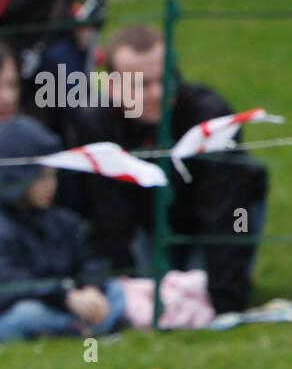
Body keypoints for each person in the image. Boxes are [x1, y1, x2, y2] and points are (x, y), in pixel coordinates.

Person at [74, 24, 268, 315]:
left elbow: (225, 212)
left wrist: (223, 303)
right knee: (149, 300)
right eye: (141, 85)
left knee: (201, 296)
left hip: (208, 225)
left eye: (164, 79)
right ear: (112, 87)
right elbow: (109, 220)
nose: (158, 93)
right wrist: (129, 295)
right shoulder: (96, 124)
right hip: (147, 227)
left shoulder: (209, 116)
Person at [0, 116, 125, 343]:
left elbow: (91, 259)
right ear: (14, 177)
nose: (50, 184)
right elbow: (6, 286)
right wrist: (63, 296)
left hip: (64, 304)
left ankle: (71, 329)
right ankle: (78, 329)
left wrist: (92, 287)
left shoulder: (64, 221)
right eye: (40, 176)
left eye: (52, 174)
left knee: (115, 292)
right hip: (17, 314)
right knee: (27, 315)